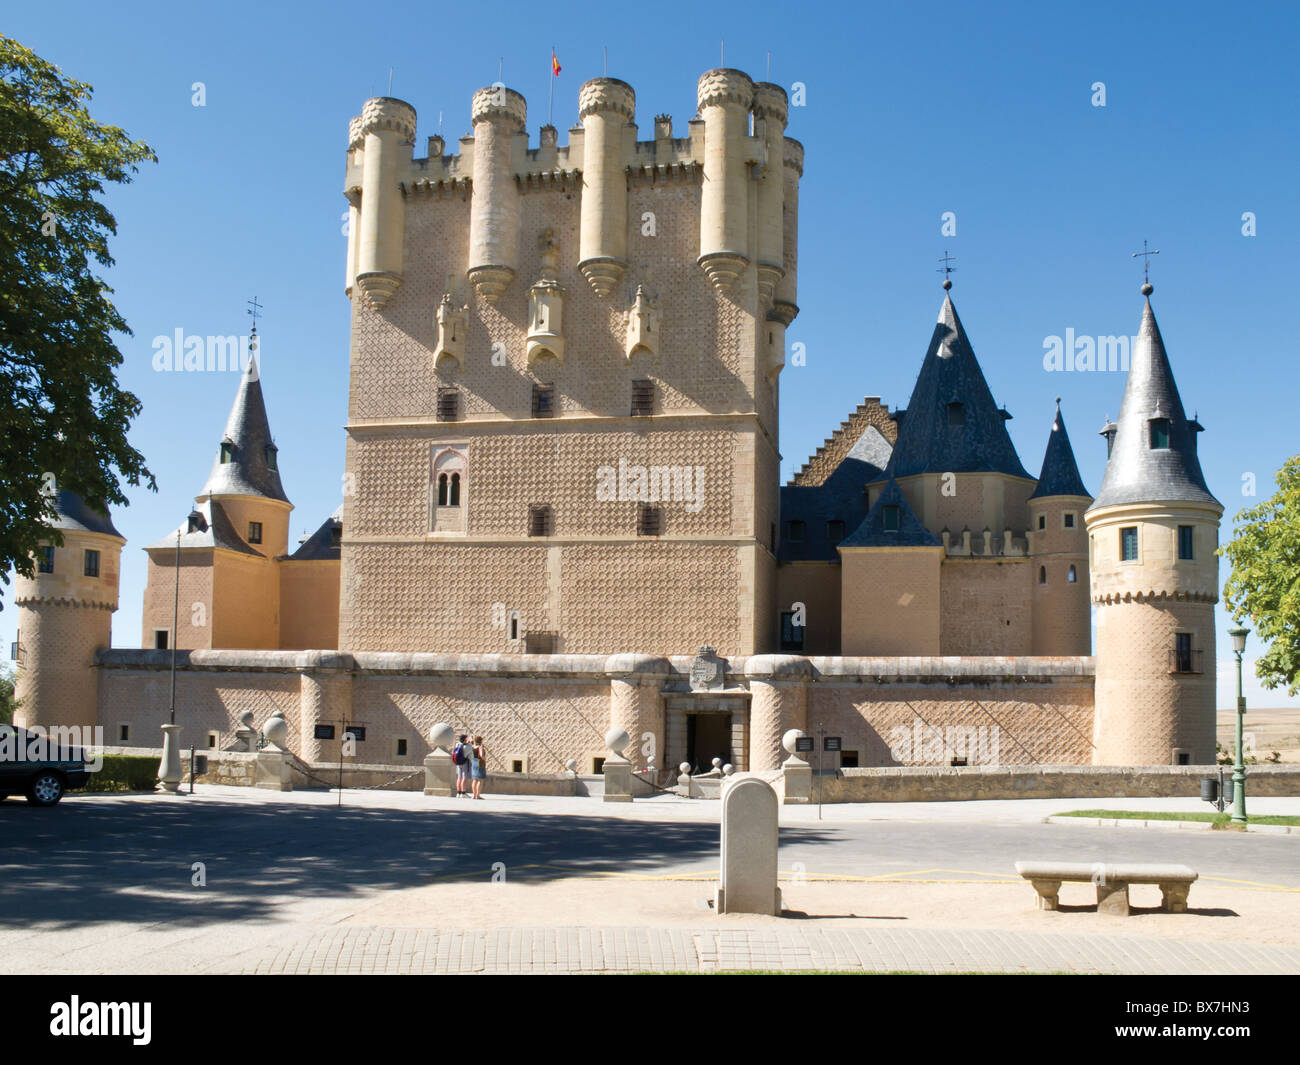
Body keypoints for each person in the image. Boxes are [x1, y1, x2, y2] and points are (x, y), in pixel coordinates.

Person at [470, 735, 487, 799]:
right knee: (480, 780)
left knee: (474, 780)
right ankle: (478, 795)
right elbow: (481, 755)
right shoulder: (480, 747)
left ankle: (474, 795)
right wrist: (485, 759)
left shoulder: (472, 747)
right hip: (480, 763)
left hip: (473, 762)